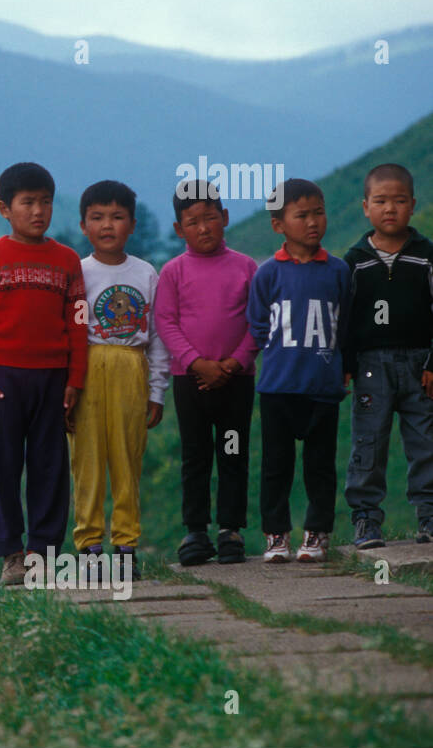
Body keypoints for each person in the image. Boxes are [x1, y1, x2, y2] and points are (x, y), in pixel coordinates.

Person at [0, 162, 88, 586]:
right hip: (2, 380)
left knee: (50, 466)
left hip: (53, 379)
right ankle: (11, 554)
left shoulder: (67, 260)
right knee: (2, 466)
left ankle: (44, 553)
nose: (39, 211)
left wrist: (76, 379)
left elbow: (78, 324)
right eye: (28, 202)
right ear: (5, 208)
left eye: (46, 202)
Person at [247, 178, 352, 562]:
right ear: (279, 224)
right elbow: (258, 324)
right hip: (278, 387)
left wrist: (342, 365)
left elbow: (345, 324)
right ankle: (276, 535)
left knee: (320, 466)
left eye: (318, 213)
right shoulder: (268, 274)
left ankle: (317, 532)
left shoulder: (338, 271)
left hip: (322, 386)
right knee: (276, 466)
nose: (313, 222)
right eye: (301, 215)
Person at [68, 180, 169, 580]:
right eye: (97, 217)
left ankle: (126, 546)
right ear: (83, 225)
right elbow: (69, 329)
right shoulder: (77, 272)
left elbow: (159, 336)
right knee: (86, 461)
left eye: (117, 217)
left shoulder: (146, 273)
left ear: (132, 224)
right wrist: (68, 384)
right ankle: (89, 546)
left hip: (131, 366)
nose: (107, 225)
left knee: (128, 460)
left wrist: (157, 389)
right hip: (87, 367)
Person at [155, 180, 259, 565]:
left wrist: (233, 363)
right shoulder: (173, 272)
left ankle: (231, 530)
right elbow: (166, 322)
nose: (203, 228)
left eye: (210, 218)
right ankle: (195, 531)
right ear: (179, 229)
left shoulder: (246, 267)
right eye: (193, 221)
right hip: (190, 382)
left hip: (236, 381)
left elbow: (257, 323)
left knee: (232, 450)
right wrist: (197, 362)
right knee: (195, 455)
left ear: (225, 218)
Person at [341, 163, 433, 547]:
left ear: (412, 205)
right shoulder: (355, 261)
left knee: (425, 441)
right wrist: (345, 366)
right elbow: (343, 319)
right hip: (370, 366)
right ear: (366, 207)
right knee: (368, 442)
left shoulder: (427, 256)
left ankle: (429, 516)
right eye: (380, 201)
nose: (389, 209)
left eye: (398, 201)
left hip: (420, 364)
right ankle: (366, 518)